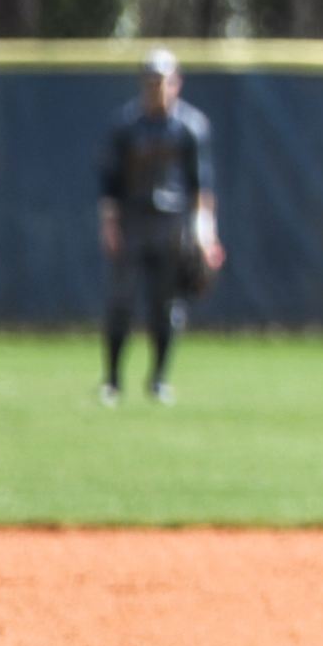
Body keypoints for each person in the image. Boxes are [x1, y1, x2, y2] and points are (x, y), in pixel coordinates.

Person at [96, 48, 224, 406]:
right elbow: (110, 184)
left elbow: (202, 188)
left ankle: (158, 380)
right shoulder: (125, 125)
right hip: (133, 221)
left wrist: (205, 235)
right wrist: (109, 225)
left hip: (172, 225)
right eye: (151, 81)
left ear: (176, 83)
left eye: (163, 81)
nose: (156, 88)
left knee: (165, 306)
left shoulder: (191, 126)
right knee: (120, 302)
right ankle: (112, 381)